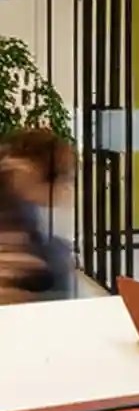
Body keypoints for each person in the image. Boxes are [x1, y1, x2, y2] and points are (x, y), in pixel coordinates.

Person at [0, 128, 76, 305]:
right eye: (61, 176)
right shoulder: (10, 192)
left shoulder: (23, 205)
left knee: (58, 253)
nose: (65, 188)